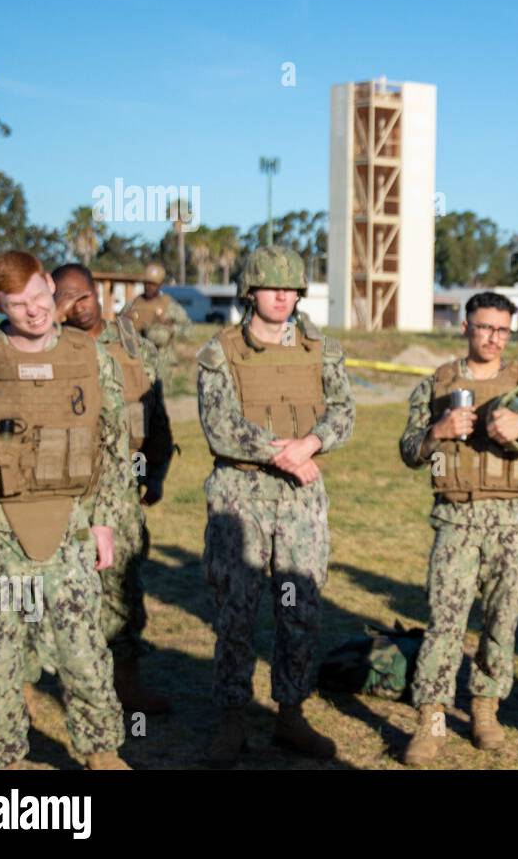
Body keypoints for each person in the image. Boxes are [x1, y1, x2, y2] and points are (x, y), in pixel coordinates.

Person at [0, 250, 129, 769]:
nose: (34, 311)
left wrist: (106, 520)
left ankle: (102, 754)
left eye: (41, 297)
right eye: (18, 304)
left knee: (86, 652)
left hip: (67, 527)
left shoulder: (88, 356)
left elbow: (114, 443)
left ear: (51, 285)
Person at [398, 291, 518, 765]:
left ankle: (485, 708)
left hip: (513, 521)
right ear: (465, 327)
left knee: (501, 620)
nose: (492, 338)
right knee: (445, 622)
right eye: (483, 328)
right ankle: (432, 720)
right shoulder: (438, 383)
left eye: (501, 329)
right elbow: (409, 450)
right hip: (455, 520)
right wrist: (437, 431)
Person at [197, 246, 354, 766]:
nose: (283, 296)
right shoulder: (219, 353)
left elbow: (343, 412)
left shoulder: (321, 349)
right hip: (240, 495)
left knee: (298, 608)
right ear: (251, 292)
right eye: (271, 287)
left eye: (291, 288)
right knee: (236, 611)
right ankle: (231, 720)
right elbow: (219, 426)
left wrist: (309, 445)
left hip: (299, 501)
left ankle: (290, 714)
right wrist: (282, 454)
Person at [49, 262, 175, 712]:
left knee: (123, 589)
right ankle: (30, 687)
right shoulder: (42, 348)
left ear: (98, 294)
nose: (78, 306)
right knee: (54, 592)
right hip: (61, 491)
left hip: (121, 491)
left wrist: (155, 473)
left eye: (84, 295)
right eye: (65, 297)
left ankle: (126, 683)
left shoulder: (133, 348)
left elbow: (156, 417)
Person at [121, 262, 190, 375]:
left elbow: (188, 329)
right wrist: (124, 319)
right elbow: (115, 326)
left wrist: (171, 327)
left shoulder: (169, 305)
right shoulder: (133, 304)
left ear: (160, 285)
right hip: (137, 361)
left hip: (162, 363)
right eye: (146, 283)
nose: (149, 287)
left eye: (153, 284)